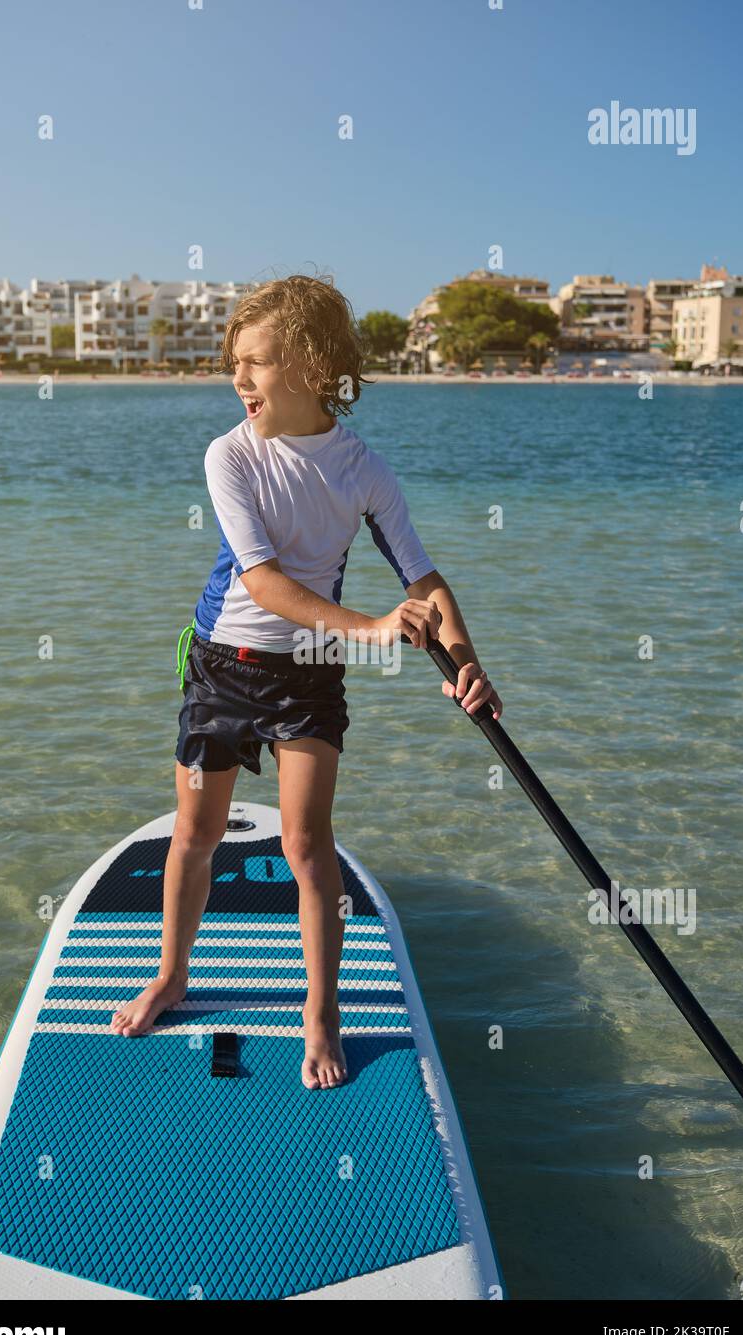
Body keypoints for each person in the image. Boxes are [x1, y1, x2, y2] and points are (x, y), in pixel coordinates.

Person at [110, 274, 502, 1088]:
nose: (239, 379)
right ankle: (172, 976)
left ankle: (321, 1014)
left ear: (313, 365)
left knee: (307, 846)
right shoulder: (230, 455)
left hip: (310, 677)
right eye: (234, 364)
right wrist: (368, 629)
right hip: (222, 667)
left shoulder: (363, 471)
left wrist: (466, 662)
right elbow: (263, 584)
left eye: (254, 362)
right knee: (195, 834)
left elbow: (423, 579)